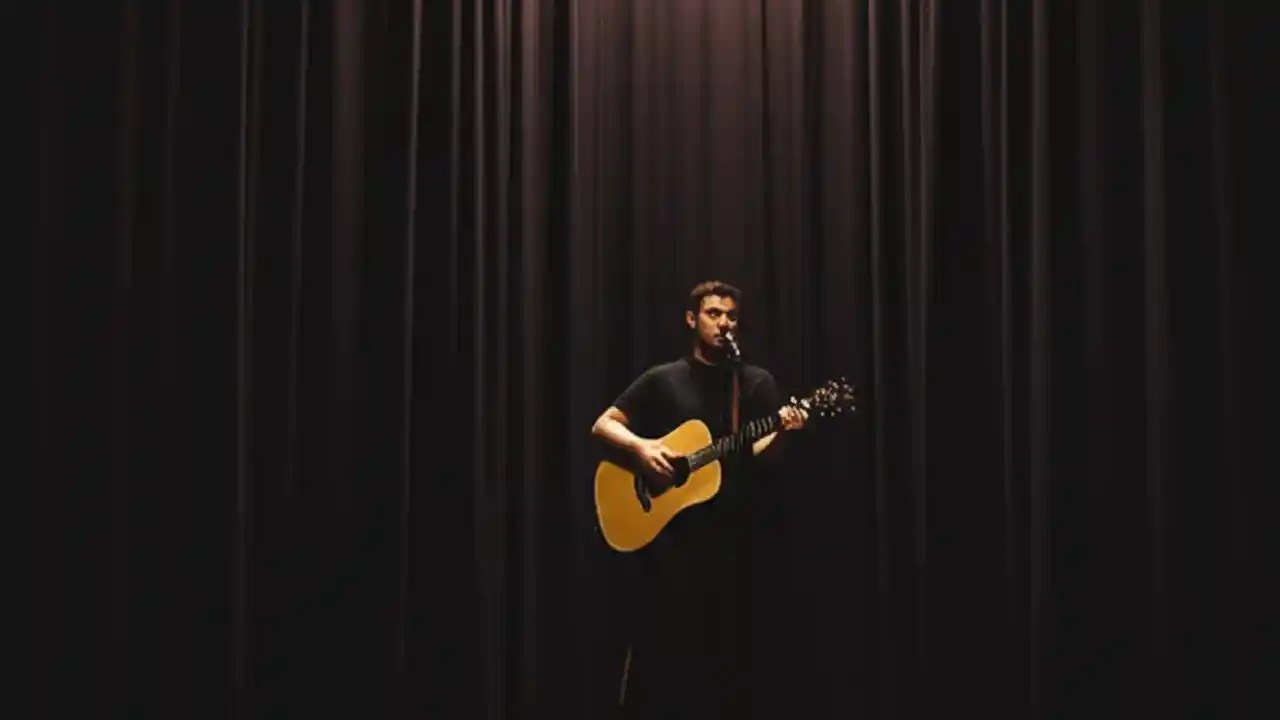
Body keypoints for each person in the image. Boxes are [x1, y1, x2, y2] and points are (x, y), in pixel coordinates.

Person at [591, 280, 807, 718]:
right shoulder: (663, 379)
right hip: (671, 549)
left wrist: (785, 431)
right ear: (692, 320)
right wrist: (643, 449)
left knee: (730, 669)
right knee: (664, 667)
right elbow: (603, 425)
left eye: (731, 316)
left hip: (734, 547)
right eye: (713, 313)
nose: (724, 323)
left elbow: (760, 456)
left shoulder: (754, 383)